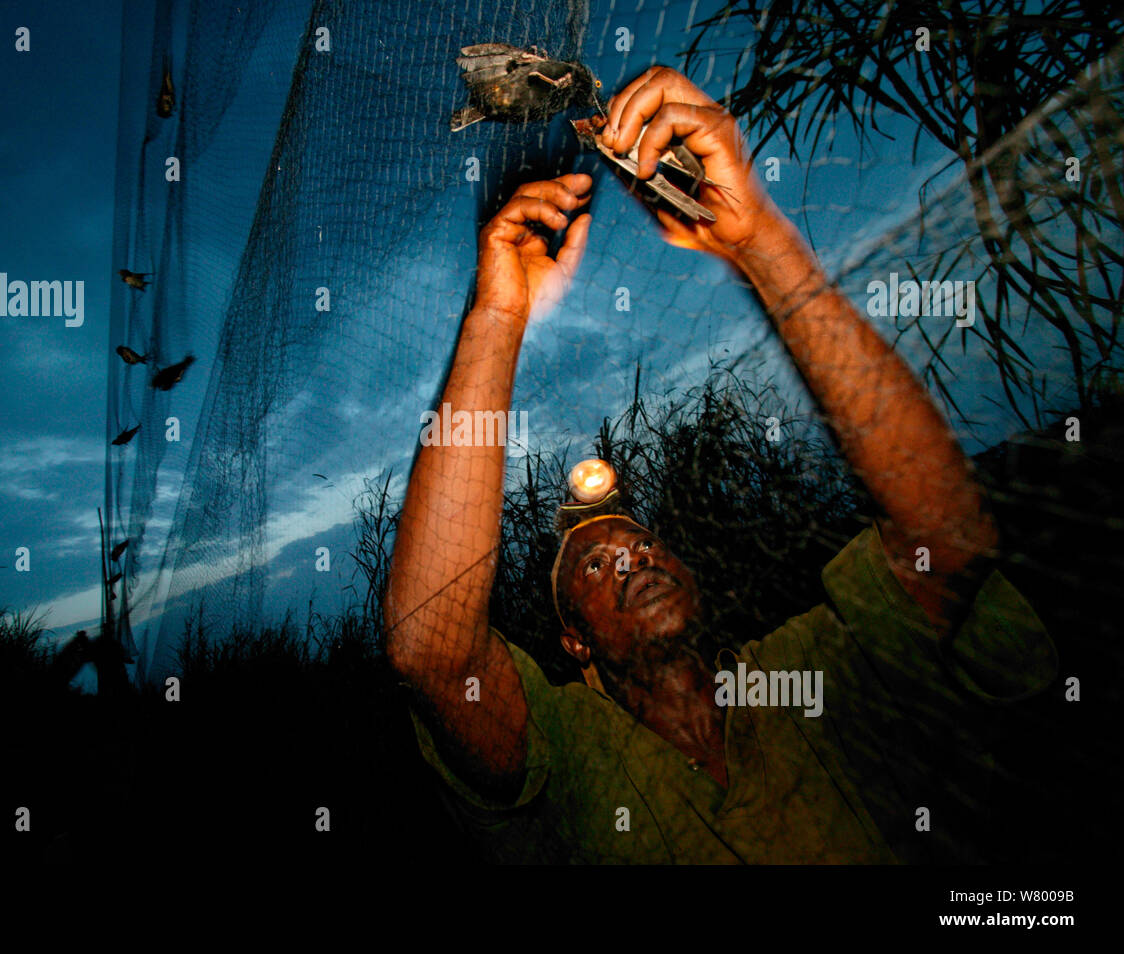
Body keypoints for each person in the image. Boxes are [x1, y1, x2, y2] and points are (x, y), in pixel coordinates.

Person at [382, 67, 1057, 863]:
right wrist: (499, 314)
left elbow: (945, 533)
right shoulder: (567, 757)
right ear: (574, 645)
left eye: (641, 545)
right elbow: (431, 651)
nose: (633, 560)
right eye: (595, 568)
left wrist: (758, 240)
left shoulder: (811, 670)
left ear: (693, 573)